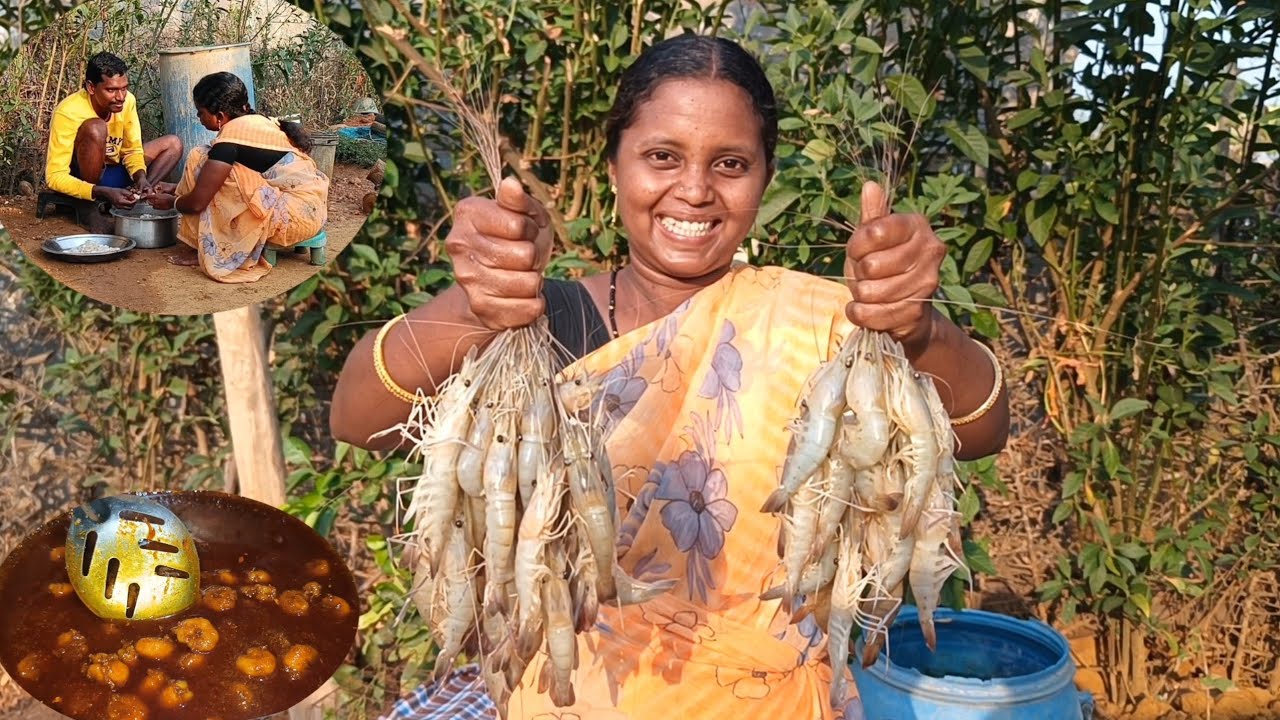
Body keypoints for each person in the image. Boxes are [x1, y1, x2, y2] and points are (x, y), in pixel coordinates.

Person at [332, 34, 1009, 720]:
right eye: (662, 156)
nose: (693, 190)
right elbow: (356, 421)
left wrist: (920, 331)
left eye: (730, 164)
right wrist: (476, 305)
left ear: (766, 177)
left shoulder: (833, 324)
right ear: (615, 165)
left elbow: (981, 430)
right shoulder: (550, 322)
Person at [149, 72, 329, 283]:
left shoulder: (229, 143)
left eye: (201, 113)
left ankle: (199, 247)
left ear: (220, 116)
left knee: (200, 158)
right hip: (313, 213)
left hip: (290, 222)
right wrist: (175, 187)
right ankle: (196, 242)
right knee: (211, 167)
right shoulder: (257, 122)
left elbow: (198, 203)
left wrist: (173, 202)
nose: (199, 119)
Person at [44, 51, 183, 225]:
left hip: (114, 171)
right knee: (96, 128)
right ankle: (89, 206)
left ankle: (138, 194)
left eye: (124, 88)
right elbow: (55, 177)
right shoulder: (68, 111)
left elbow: (132, 150)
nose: (120, 97)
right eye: (111, 90)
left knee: (173, 144)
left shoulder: (127, 101)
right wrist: (98, 191)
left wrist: (140, 177)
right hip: (85, 179)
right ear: (91, 87)